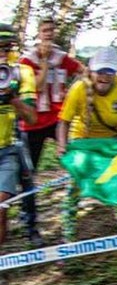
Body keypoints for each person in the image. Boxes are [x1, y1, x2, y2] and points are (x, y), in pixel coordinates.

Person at [56, 47, 117, 239]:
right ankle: (68, 235)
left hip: (111, 142)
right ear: (91, 71)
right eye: (100, 71)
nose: (104, 77)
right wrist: (62, 145)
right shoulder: (79, 89)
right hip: (83, 141)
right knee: (74, 185)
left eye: (110, 72)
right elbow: (64, 121)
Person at [19, 17, 84, 245]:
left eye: (51, 30)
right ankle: (31, 226)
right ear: (38, 33)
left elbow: (83, 71)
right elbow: (35, 86)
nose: (49, 33)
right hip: (32, 123)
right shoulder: (27, 60)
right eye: (45, 30)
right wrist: (45, 61)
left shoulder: (61, 57)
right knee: (28, 175)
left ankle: (75, 210)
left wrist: (76, 93)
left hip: (57, 120)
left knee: (73, 159)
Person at [0, 22, 37, 248]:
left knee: (0, 208)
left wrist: (12, 98)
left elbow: (32, 118)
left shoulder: (22, 73)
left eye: (7, 48)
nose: (3, 54)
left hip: (8, 150)